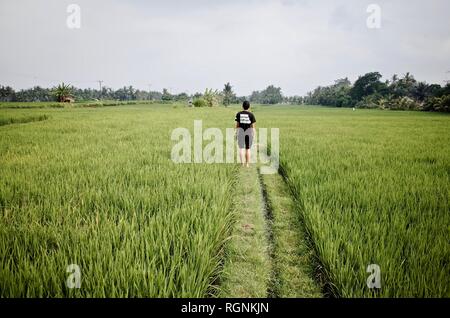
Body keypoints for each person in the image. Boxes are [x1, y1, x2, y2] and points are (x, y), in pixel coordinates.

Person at [235, 101, 256, 167]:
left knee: (241, 148)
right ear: (249, 107)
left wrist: (236, 133)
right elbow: (253, 126)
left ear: (242, 106)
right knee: (248, 148)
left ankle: (242, 163)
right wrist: (254, 134)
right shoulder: (251, 115)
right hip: (249, 133)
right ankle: (247, 164)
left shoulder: (238, 114)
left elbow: (237, 125)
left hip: (241, 132)